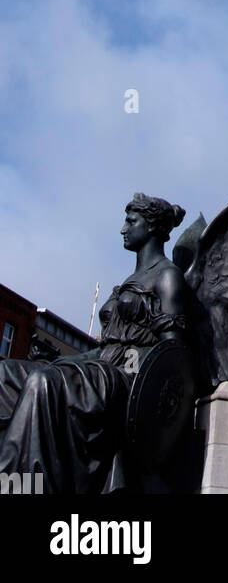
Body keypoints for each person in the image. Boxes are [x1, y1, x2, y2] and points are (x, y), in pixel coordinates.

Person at [0, 195, 188, 494]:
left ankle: (21, 486)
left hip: (125, 378)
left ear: (151, 227)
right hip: (99, 364)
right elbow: (103, 347)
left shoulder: (168, 277)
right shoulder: (128, 280)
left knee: (43, 382)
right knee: (5, 374)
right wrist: (61, 362)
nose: (123, 228)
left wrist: (129, 367)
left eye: (131, 221)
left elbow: (173, 356)